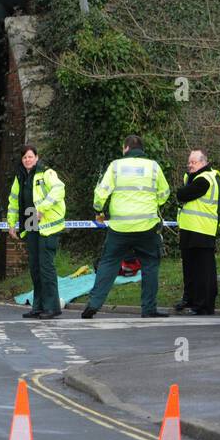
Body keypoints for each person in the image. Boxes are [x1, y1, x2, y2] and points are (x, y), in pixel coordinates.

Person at [81, 135, 170, 319]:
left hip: (120, 227)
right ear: (141, 149)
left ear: (126, 148)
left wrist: (99, 210)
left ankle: (93, 304)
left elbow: (100, 193)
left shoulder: (115, 166)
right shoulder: (153, 167)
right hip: (146, 226)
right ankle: (148, 309)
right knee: (150, 264)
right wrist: (154, 204)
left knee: (108, 263)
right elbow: (165, 193)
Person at [5, 144, 66, 320]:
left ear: (37, 157)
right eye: (24, 157)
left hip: (47, 223)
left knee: (46, 268)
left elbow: (59, 189)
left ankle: (52, 307)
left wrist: (42, 208)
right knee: (35, 268)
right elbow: (14, 200)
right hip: (31, 220)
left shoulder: (46, 173)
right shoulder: (21, 176)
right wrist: (11, 224)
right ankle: (38, 306)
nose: (27, 160)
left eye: (30, 156)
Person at [174, 149, 220, 316]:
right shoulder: (191, 178)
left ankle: (205, 305)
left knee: (204, 270)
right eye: (189, 162)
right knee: (190, 268)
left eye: (193, 162)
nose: (190, 165)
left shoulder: (205, 179)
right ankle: (191, 300)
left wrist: (181, 193)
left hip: (202, 230)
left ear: (203, 162)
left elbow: (183, 194)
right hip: (189, 229)